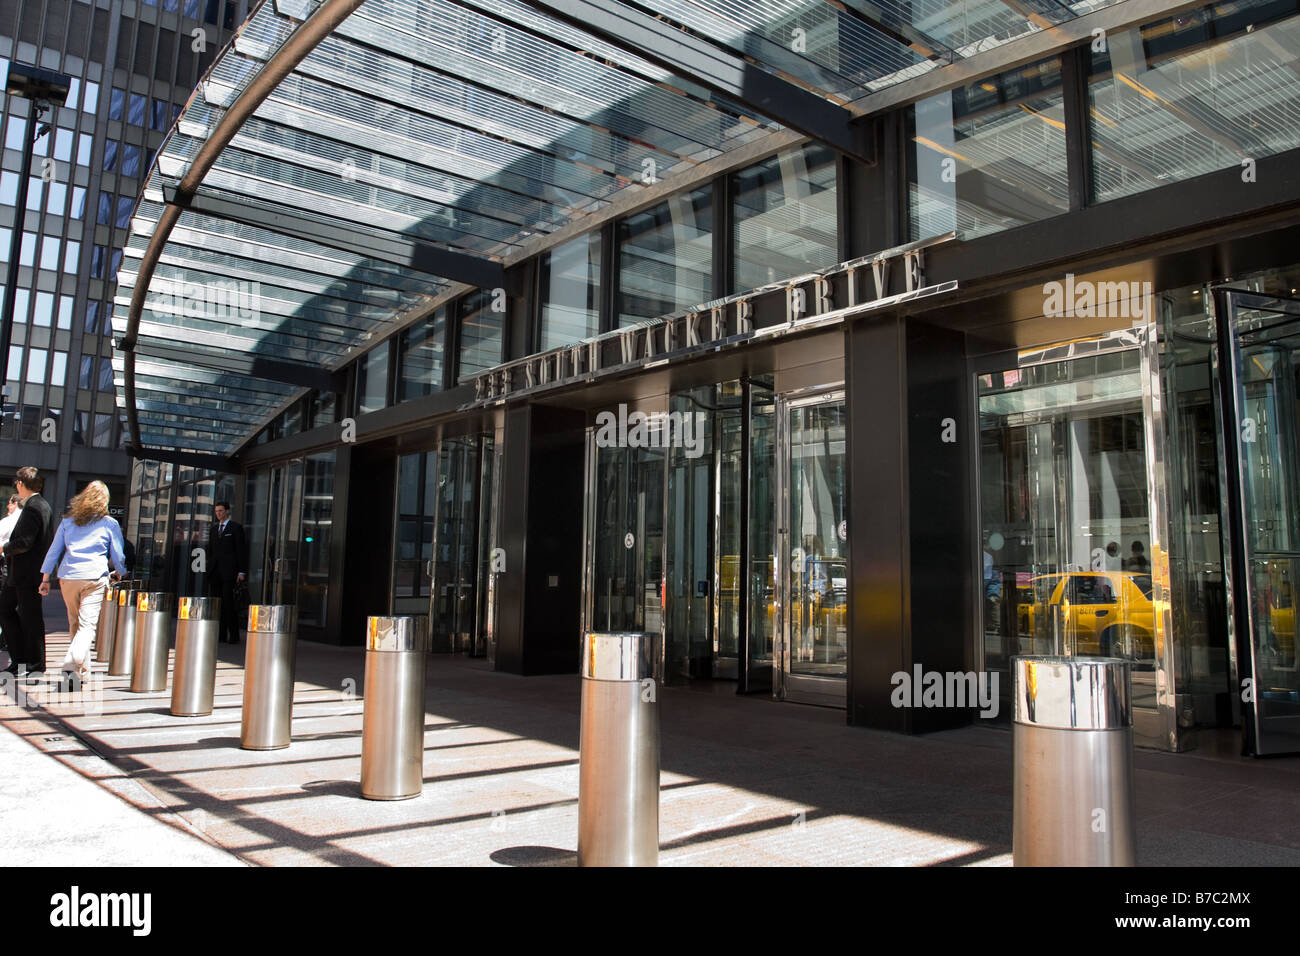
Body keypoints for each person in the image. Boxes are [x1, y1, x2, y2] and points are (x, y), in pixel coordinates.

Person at [38, 481, 127, 682]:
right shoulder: (109, 523)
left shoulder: (68, 521)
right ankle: (72, 660)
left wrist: (45, 578)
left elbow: (54, 551)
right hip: (94, 577)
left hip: (68, 577)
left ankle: (80, 674)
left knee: (75, 622)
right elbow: (118, 555)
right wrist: (122, 571)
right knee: (87, 626)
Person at [0, 467, 55, 674]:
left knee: (29, 618)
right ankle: (22, 660)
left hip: (26, 574)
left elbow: (26, 542)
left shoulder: (33, 508)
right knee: (8, 610)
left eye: (17, 483)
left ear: (21, 484)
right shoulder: (38, 505)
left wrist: (4, 548)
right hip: (24, 574)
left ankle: (32, 664)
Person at [207, 501, 248, 644]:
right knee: (217, 604)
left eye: (221, 511)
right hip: (215, 572)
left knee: (229, 604)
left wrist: (241, 571)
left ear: (227, 511)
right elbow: (210, 551)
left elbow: (241, 551)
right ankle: (221, 634)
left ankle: (234, 635)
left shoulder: (236, 528)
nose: (218, 513)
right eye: (216, 511)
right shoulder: (213, 530)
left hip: (230, 572)